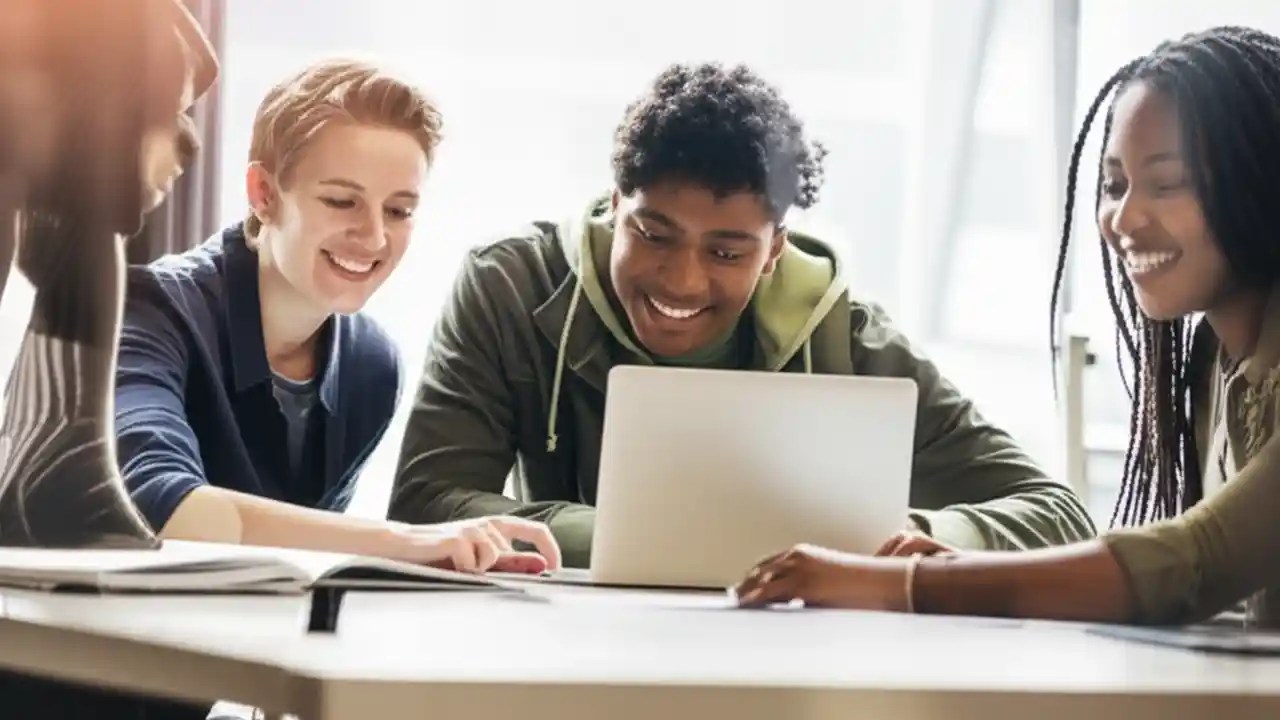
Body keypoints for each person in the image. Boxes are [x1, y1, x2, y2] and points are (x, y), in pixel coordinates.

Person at [389, 62, 1095, 569]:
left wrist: (896, 533)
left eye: (726, 252)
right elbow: (424, 506)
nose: (681, 278)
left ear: (772, 252)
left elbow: (1058, 513)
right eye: (654, 234)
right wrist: (648, 536)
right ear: (615, 204)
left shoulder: (839, 334)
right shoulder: (509, 287)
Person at [735, 25, 1280, 629]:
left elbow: (1193, 565)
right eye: (1114, 184)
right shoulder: (1215, 360)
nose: (1124, 217)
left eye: (1168, 183)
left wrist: (899, 581)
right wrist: (961, 569)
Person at [114, 58, 560, 575]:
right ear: (263, 194)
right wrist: (405, 540)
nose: (373, 237)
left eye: (398, 211)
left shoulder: (372, 367)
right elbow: (154, 503)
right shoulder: (148, 312)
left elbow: (299, 566)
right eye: (342, 201)